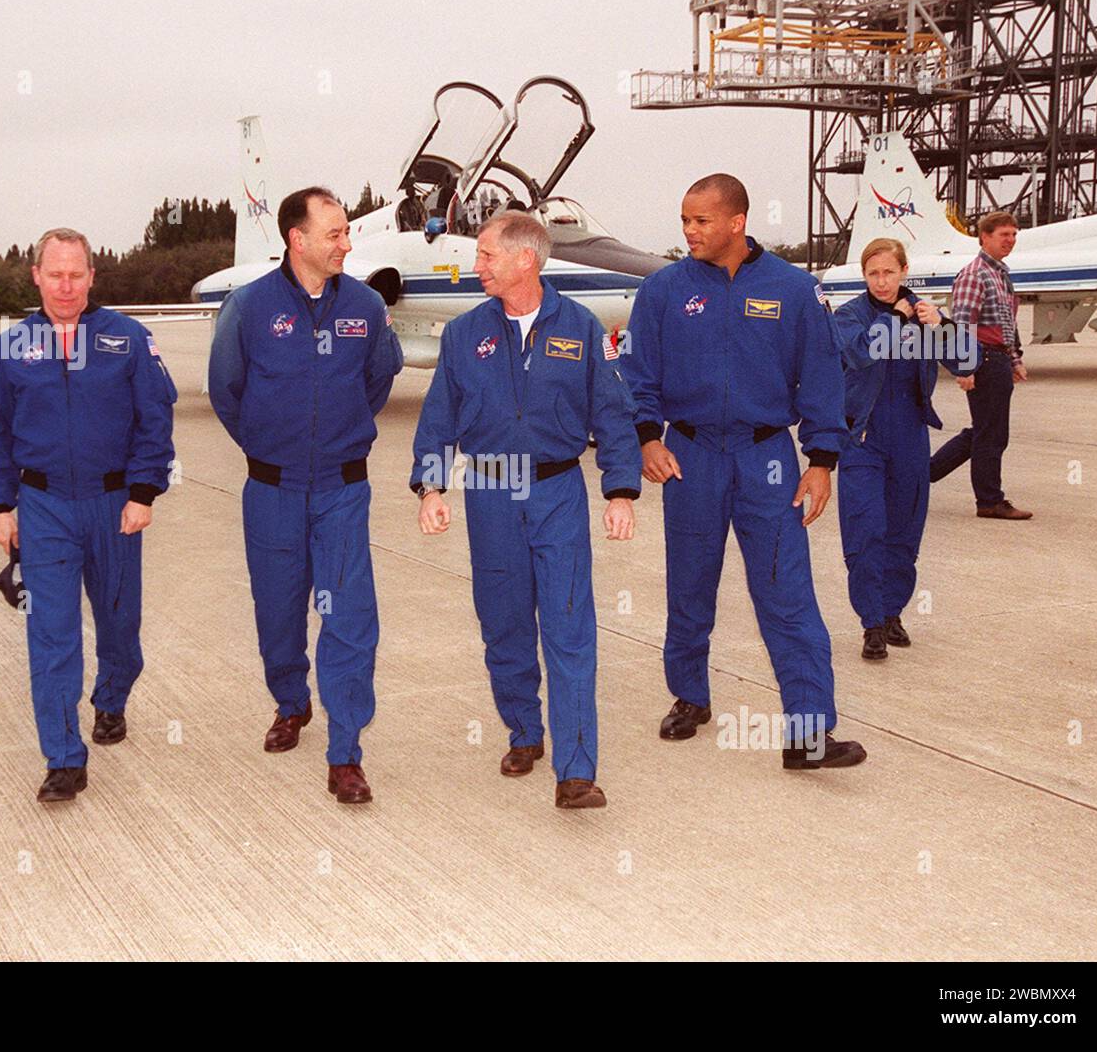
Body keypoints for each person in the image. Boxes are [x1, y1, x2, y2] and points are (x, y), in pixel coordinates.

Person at [621, 174, 865, 769]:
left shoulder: (793, 289)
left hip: (768, 459)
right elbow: (635, 372)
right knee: (690, 583)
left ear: (737, 222)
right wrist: (648, 438)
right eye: (684, 219)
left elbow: (823, 377)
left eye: (701, 221)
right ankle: (690, 696)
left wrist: (823, 460)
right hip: (691, 456)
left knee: (787, 592)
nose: (689, 231)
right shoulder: (662, 291)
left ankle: (809, 734)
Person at [410, 211, 641, 808]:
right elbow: (438, 418)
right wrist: (431, 487)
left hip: (557, 491)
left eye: (487, 255)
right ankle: (523, 730)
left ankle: (576, 770)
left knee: (569, 628)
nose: (476, 265)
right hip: (490, 494)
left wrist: (620, 491)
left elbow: (612, 416)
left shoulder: (582, 328)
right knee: (504, 622)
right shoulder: (465, 336)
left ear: (525, 260)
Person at [209, 187, 403, 804]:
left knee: (349, 617)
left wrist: (337, 438)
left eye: (347, 232)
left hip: (343, 489)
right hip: (271, 489)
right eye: (336, 234)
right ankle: (291, 703)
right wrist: (275, 448)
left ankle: (345, 750)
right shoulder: (249, 307)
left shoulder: (367, 306)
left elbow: (378, 380)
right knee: (279, 607)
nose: (347, 244)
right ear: (299, 240)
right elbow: (226, 391)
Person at [0, 227, 177, 803]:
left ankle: (111, 698)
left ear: (92, 276)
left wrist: (144, 493)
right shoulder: (11, 348)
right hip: (42, 509)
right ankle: (63, 757)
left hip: (114, 506)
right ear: (36, 275)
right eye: (54, 274)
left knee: (119, 626)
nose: (65, 286)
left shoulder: (128, 338)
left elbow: (154, 423)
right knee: (52, 634)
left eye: (76, 274)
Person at [832, 238, 977, 660]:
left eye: (889, 273)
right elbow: (861, 354)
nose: (881, 281)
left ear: (903, 271)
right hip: (863, 439)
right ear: (864, 275)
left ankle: (893, 612)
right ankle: (872, 624)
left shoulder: (924, 317)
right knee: (865, 531)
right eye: (873, 273)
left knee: (904, 532)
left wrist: (942, 327)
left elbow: (968, 363)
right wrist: (897, 317)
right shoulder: (850, 316)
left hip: (910, 436)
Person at [928, 211, 1033, 519]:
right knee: (991, 434)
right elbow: (963, 325)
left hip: (997, 359)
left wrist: (1015, 359)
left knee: (985, 431)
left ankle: (921, 475)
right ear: (984, 237)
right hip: (983, 358)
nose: (1010, 241)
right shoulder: (974, 275)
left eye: (1014, 235)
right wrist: (966, 367)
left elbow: (1006, 323)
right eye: (1004, 235)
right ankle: (989, 501)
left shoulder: (1000, 274)